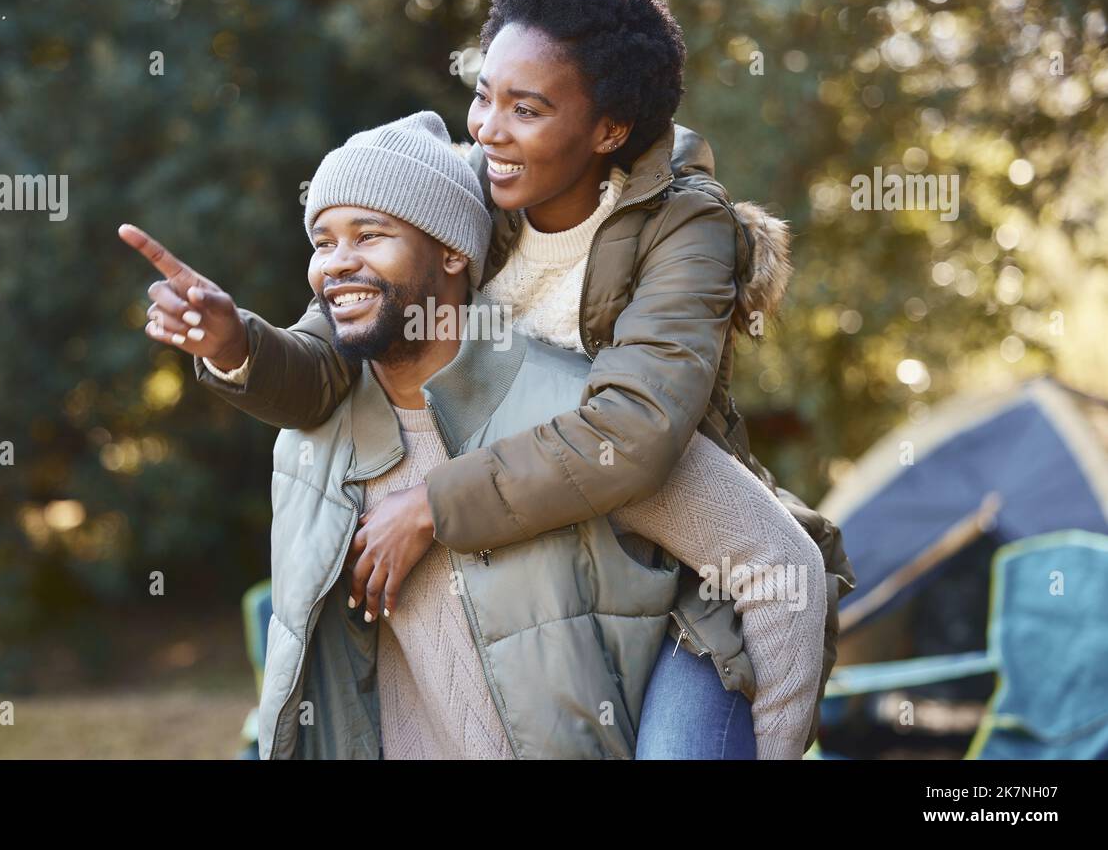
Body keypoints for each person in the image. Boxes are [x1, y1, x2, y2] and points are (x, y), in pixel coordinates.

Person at [120, 111, 827, 759]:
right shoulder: (314, 440)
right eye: (323, 241)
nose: (335, 261)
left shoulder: (583, 417)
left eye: (369, 234)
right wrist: (228, 343)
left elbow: (782, 572)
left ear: (454, 253)